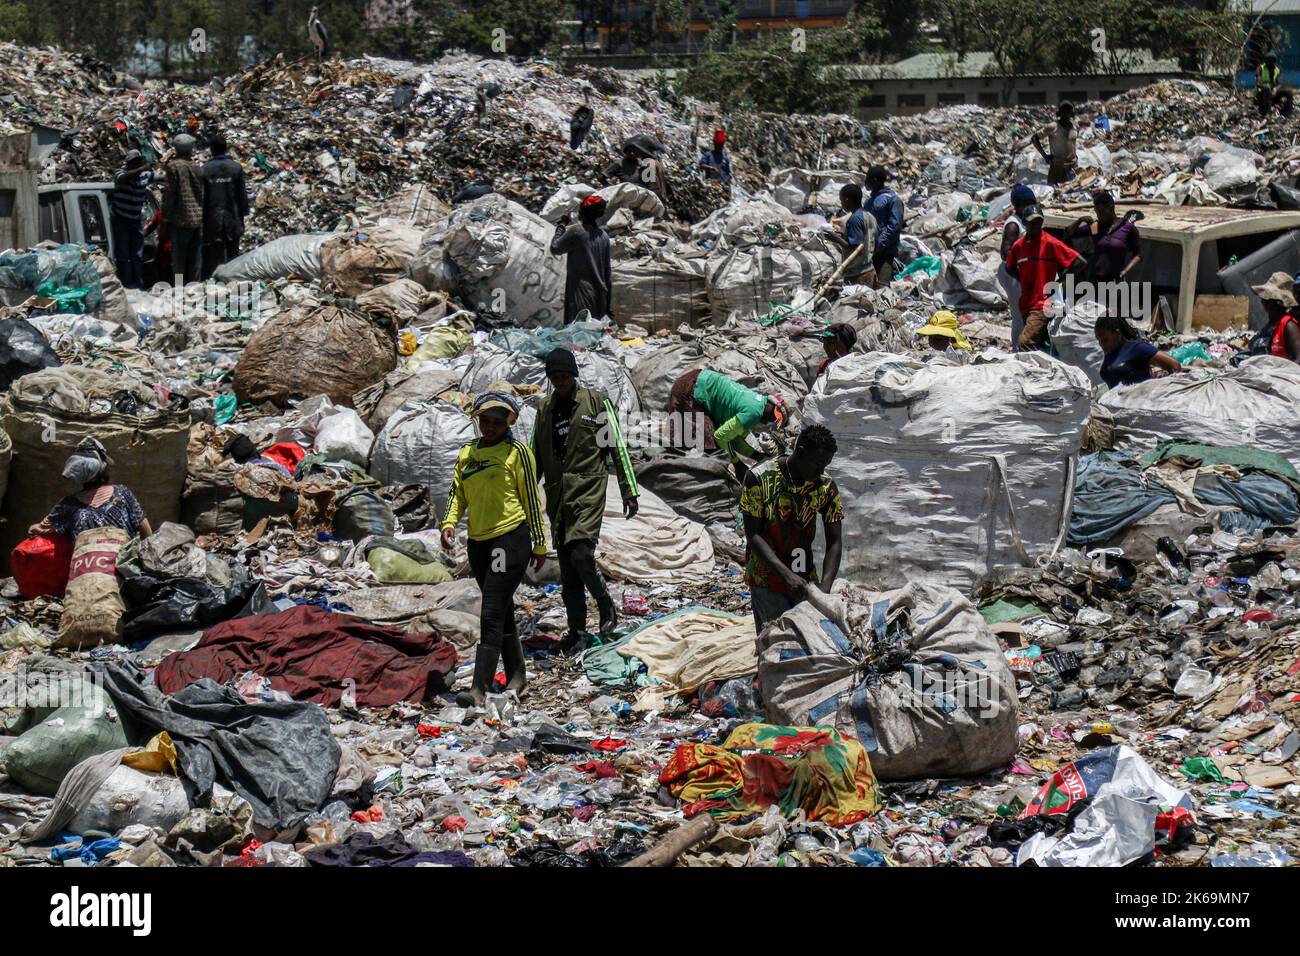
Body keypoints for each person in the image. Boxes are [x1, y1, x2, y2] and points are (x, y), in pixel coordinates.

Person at [441, 392, 548, 707]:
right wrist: (448, 523)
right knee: (502, 611)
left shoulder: (517, 452)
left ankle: (479, 688)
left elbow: (530, 497)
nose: (490, 427)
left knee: (489, 612)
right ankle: (517, 675)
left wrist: (539, 542)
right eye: (485, 421)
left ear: (507, 424)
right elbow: (457, 492)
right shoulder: (467, 453)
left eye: (497, 423)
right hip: (478, 543)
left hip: (509, 538)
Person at [531, 347, 639, 651]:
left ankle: (605, 604)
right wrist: (524, 494)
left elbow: (616, 447)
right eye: (556, 376)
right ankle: (577, 630)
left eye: (565, 375)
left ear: (574, 375)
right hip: (558, 496)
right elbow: (534, 457)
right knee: (568, 567)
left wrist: (629, 489)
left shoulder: (595, 403)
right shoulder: (544, 410)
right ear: (550, 378)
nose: (561, 381)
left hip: (588, 491)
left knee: (581, 554)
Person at [740, 424, 843, 631]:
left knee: (809, 643)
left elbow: (835, 540)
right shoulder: (759, 478)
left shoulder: (823, 486)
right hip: (766, 578)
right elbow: (753, 533)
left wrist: (824, 588)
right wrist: (786, 575)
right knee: (775, 645)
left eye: (825, 466)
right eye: (817, 464)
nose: (821, 471)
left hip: (804, 576)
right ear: (801, 451)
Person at [667, 369, 787, 479]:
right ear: (771, 407)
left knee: (710, 443)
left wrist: (756, 455)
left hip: (697, 380)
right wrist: (737, 464)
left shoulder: (757, 402)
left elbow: (734, 437)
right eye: (773, 417)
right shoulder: (754, 413)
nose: (770, 422)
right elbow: (720, 436)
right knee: (710, 448)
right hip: (690, 390)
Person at [27, 439, 153, 541]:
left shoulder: (67, 505)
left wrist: (34, 528)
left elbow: (36, 530)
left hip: (85, 571)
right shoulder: (122, 493)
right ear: (104, 469)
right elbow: (146, 533)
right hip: (124, 569)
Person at [1005, 204, 1085, 352]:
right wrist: (1022, 278)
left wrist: (1060, 280)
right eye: (1032, 222)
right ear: (1025, 223)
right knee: (1037, 344)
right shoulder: (1019, 246)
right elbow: (1008, 267)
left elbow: (1080, 261)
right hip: (1026, 302)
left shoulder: (1050, 243)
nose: (1035, 225)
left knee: (1025, 342)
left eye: (1038, 221)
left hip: (1044, 303)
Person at [549, 194, 612, 324]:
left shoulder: (577, 231)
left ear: (584, 213)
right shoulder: (604, 236)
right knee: (594, 336)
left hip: (581, 294)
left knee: (578, 335)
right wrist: (608, 302)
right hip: (600, 294)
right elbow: (608, 273)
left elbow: (555, 248)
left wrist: (561, 226)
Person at [200, 131, 251, 280]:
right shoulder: (235, 168)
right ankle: (233, 284)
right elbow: (242, 195)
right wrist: (244, 214)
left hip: (212, 219)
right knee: (233, 255)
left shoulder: (205, 169)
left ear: (211, 149)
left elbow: (202, 197)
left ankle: (217, 285)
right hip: (232, 218)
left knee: (215, 256)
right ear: (226, 148)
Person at [1067, 190, 1143, 285]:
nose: (1098, 215)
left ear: (1110, 207)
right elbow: (1069, 233)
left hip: (1115, 281)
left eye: (1101, 211)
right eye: (1096, 212)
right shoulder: (1095, 227)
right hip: (1094, 281)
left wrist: (1125, 272)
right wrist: (1079, 220)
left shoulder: (1127, 227)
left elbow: (1138, 255)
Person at [159, 134, 205, 285]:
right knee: (195, 258)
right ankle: (195, 286)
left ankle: (179, 287)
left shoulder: (173, 167)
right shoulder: (196, 167)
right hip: (197, 220)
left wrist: (164, 221)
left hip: (180, 220)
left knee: (179, 260)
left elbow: (170, 196)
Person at [997, 183, 1037, 350]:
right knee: (1020, 315)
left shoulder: (1026, 220)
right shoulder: (1014, 224)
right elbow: (1005, 253)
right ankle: (1017, 349)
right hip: (1012, 274)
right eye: (1027, 204)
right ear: (1019, 205)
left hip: (1021, 274)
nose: (1031, 207)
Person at [1095, 315, 1181, 388]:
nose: (1101, 344)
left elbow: (1175, 365)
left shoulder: (1137, 348)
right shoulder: (1109, 354)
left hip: (1137, 404)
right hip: (1114, 404)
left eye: (1105, 340)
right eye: (1099, 340)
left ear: (1117, 334)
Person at [110, 150, 154, 290]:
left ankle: (138, 282)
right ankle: (126, 283)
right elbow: (122, 179)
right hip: (121, 220)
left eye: (140, 161)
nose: (139, 164)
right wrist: (142, 168)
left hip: (136, 220)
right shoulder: (120, 173)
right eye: (136, 162)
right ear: (129, 164)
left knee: (137, 254)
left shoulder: (145, 176)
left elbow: (160, 176)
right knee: (123, 254)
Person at [864, 165, 904, 287]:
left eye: (868, 179)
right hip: (869, 253)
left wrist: (879, 244)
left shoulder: (892, 199)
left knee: (881, 288)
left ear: (874, 180)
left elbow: (895, 225)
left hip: (885, 253)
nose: (865, 182)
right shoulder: (868, 202)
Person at [1248, 272, 1300, 361]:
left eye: (1267, 299)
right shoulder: (1268, 327)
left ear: (1277, 302)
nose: (1263, 302)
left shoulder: (1288, 325)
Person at [831, 183, 872, 284]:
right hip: (869, 268)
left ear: (847, 200)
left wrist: (835, 238)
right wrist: (843, 236)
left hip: (857, 274)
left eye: (841, 200)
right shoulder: (868, 215)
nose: (841, 204)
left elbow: (854, 247)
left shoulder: (854, 219)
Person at [1032, 102, 1078, 186]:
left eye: (1068, 110)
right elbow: (1034, 138)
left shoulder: (1074, 127)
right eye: (1064, 110)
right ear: (1059, 112)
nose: (1066, 112)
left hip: (1072, 166)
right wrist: (1045, 156)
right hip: (1058, 167)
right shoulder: (1053, 126)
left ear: (1072, 113)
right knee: (1056, 192)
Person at [1256, 53, 1294, 118]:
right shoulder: (1260, 68)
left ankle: (1287, 114)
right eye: (1268, 61)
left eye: (1271, 61)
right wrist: (1265, 85)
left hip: (1273, 92)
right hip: (1261, 92)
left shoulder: (1277, 70)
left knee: (1288, 93)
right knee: (1266, 90)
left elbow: (1279, 83)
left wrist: (1275, 89)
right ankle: (1266, 114)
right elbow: (1258, 82)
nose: (1270, 63)